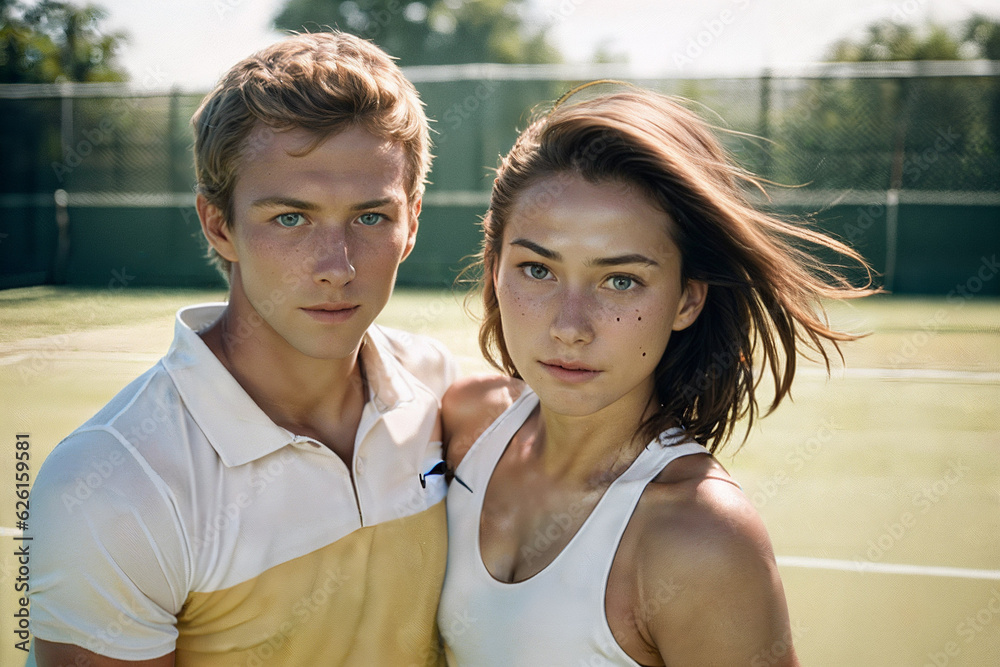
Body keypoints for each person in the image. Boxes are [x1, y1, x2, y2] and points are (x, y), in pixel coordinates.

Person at [29, 31, 456, 666]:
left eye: (371, 217)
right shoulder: (111, 484)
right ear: (219, 225)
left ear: (412, 223)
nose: (336, 267)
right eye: (291, 218)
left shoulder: (441, 390)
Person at [438, 84, 875, 666]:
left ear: (686, 301)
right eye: (537, 269)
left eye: (620, 280)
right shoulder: (465, 425)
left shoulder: (700, 537)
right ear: (494, 269)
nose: (570, 327)